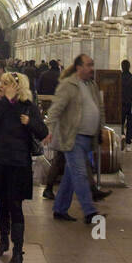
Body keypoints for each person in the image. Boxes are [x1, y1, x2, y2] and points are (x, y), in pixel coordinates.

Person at [0, 71, 47, 263]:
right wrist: (6, 100)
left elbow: (43, 131)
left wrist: (31, 123)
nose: (1, 87)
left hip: (19, 162)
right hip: (0, 160)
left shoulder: (28, 107)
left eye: (5, 84)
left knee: (15, 205)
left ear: (16, 87)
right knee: (2, 203)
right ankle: (4, 241)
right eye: (1, 84)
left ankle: (18, 250)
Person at [44, 54, 103, 224]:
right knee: (80, 173)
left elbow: (99, 107)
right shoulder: (68, 85)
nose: (91, 68)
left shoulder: (91, 84)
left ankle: (60, 209)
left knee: (71, 175)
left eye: (92, 64)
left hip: (88, 137)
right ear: (79, 67)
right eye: (88, 65)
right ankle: (90, 212)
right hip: (72, 137)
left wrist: (100, 130)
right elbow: (55, 110)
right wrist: (48, 131)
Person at [120, 59, 132, 148]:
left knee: (120, 122)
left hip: (121, 103)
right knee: (130, 123)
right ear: (129, 67)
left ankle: (121, 135)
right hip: (131, 103)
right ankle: (128, 144)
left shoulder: (118, 77)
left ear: (122, 67)